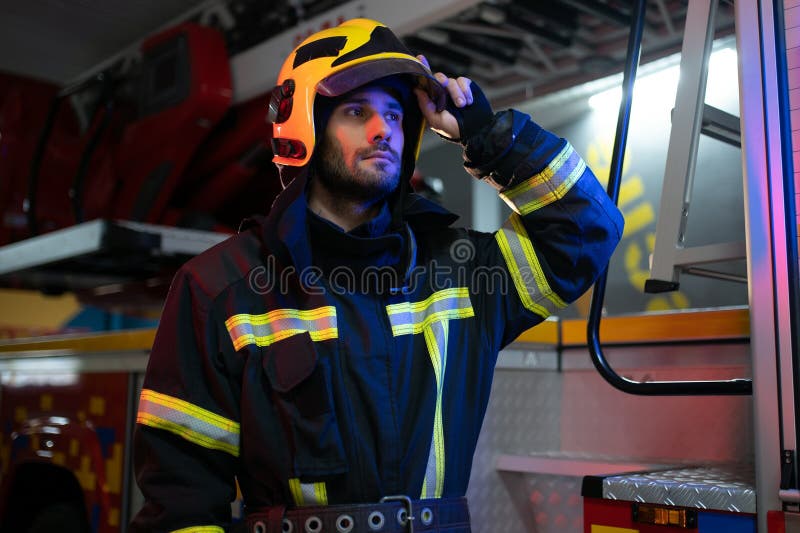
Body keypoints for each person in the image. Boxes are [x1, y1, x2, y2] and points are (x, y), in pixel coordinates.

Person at [132, 18, 623, 533]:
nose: (383, 128)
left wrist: (488, 138)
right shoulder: (220, 289)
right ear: (306, 123)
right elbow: (180, 503)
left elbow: (587, 228)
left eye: (395, 113)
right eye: (356, 111)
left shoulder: (461, 273)